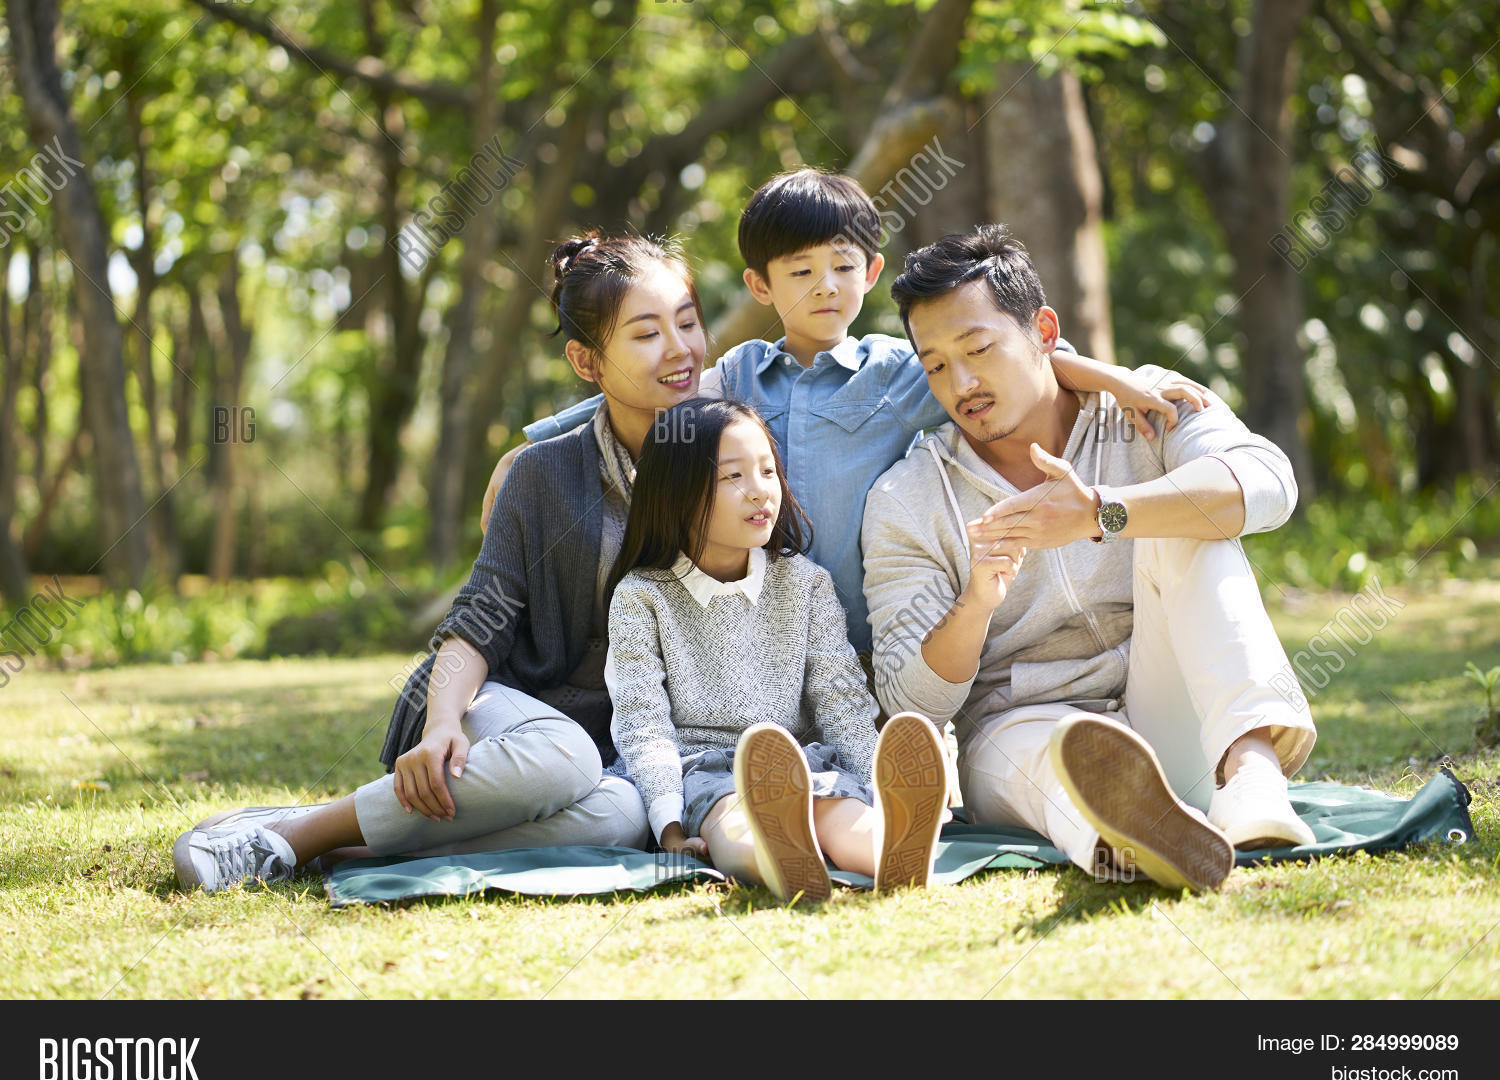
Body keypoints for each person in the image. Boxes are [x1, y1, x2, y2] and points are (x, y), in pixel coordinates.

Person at [486, 169, 1209, 661]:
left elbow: (1020, 363)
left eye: (841, 266)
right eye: (799, 272)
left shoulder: (910, 372)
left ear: (869, 272)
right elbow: (639, 392)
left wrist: (1115, 380)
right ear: (759, 286)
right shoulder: (738, 373)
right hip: (767, 634)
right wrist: (528, 451)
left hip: (870, 633)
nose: (823, 287)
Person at [173, 232, 708, 891]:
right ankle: (295, 834)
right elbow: (480, 615)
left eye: (688, 321)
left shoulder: (725, 466)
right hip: (498, 707)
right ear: (586, 361)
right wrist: (444, 719)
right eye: (647, 333)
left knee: (625, 816)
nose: (681, 349)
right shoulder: (543, 472)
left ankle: (369, 848)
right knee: (563, 760)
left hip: (609, 749)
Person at [862, 225, 1317, 893]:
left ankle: (1252, 781)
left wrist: (1103, 511)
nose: (961, 383)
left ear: (1045, 331)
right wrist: (975, 605)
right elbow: (910, 700)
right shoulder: (909, 496)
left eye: (979, 348)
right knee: (1049, 759)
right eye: (934, 365)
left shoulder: (1147, 408)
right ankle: (1124, 833)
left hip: (1175, 715)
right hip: (1019, 734)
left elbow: (1269, 484)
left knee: (1188, 514)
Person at [604, 397, 948, 901]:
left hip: (797, 761)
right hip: (701, 768)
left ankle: (894, 850)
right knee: (730, 818)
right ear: (676, 491)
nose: (759, 491)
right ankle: (780, 859)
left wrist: (876, 783)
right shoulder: (642, 597)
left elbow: (842, 704)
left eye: (767, 470)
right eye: (732, 477)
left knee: (834, 802)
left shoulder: (805, 584)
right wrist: (669, 822)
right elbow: (644, 724)